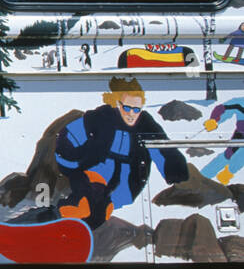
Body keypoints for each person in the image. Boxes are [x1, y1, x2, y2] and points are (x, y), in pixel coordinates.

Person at [54, 76, 188, 229]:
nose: (131, 114)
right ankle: (62, 218)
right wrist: (76, 163)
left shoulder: (146, 124)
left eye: (136, 109)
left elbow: (162, 147)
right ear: (118, 104)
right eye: (127, 108)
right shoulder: (100, 118)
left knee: (100, 210)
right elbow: (68, 138)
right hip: (93, 177)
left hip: (126, 183)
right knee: (86, 203)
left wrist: (175, 171)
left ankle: (83, 224)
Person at [198, 96, 244, 184]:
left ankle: (226, 175)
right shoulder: (240, 102)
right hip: (240, 134)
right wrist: (213, 120)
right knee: (228, 154)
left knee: (240, 156)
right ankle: (204, 176)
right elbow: (221, 108)